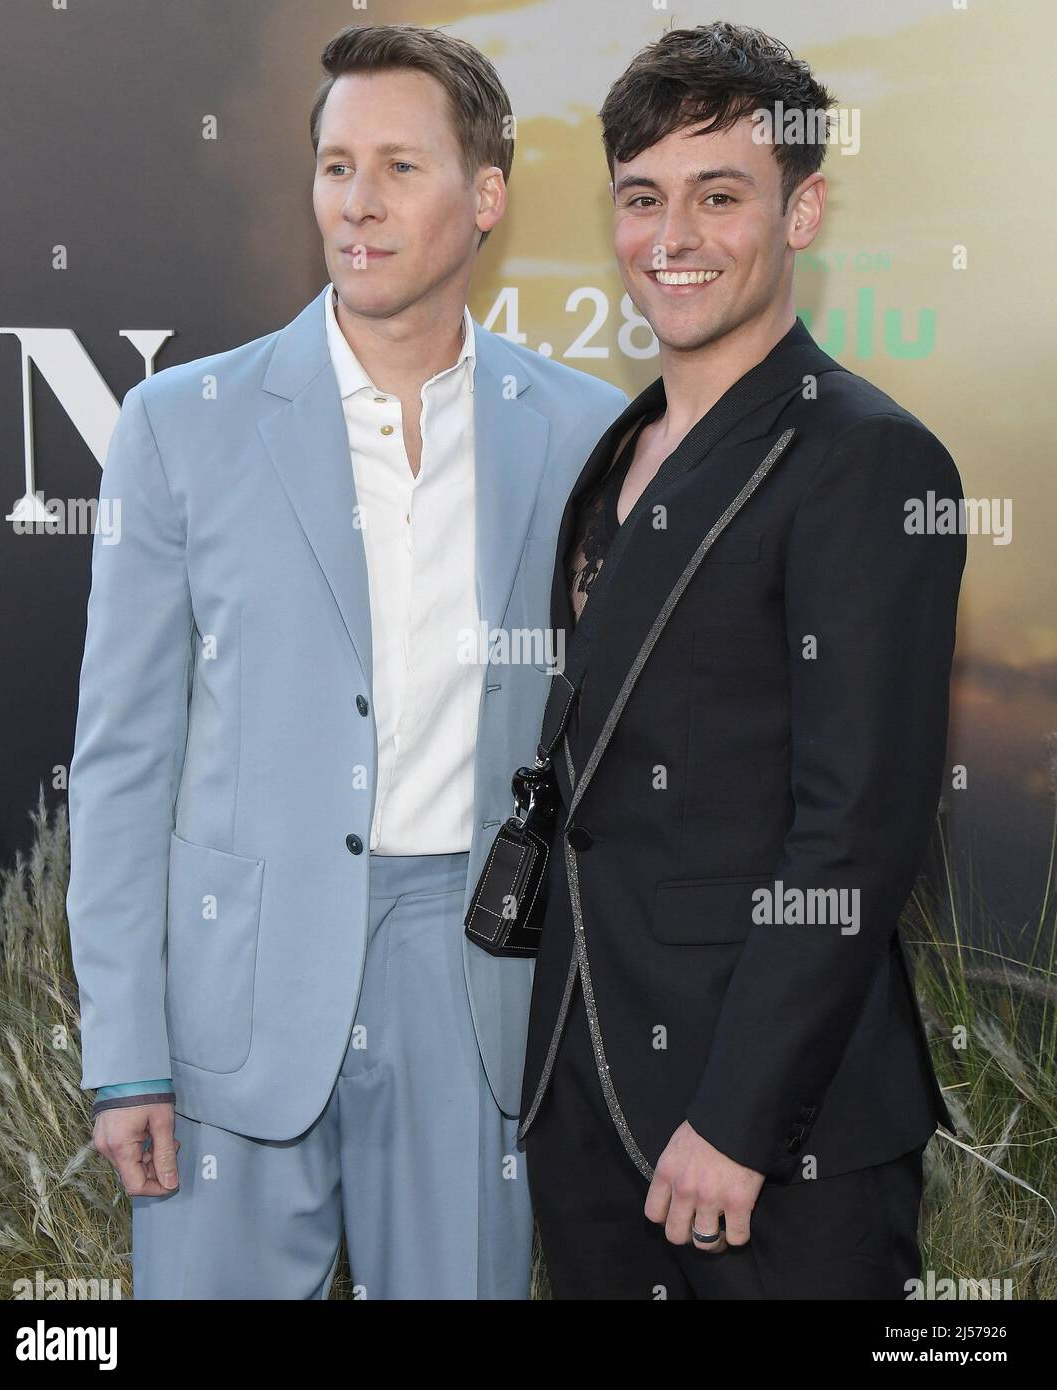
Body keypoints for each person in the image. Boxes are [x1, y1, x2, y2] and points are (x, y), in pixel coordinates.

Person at [66, 22, 625, 1300]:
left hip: (471, 977)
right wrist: (127, 1056)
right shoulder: (178, 428)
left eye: (397, 168)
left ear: (485, 196)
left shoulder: (587, 433)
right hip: (236, 989)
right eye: (333, 166)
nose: (355, 204)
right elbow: (121, 766)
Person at [517, 21, 966, 1300]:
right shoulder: (619, 448)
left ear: (800, 209)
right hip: (589, 1092)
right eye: (643, 198)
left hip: (775, 1137)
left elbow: (855, 832)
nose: (675, 236)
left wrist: (737, 1120)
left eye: (720, 196)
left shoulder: (868, 459)